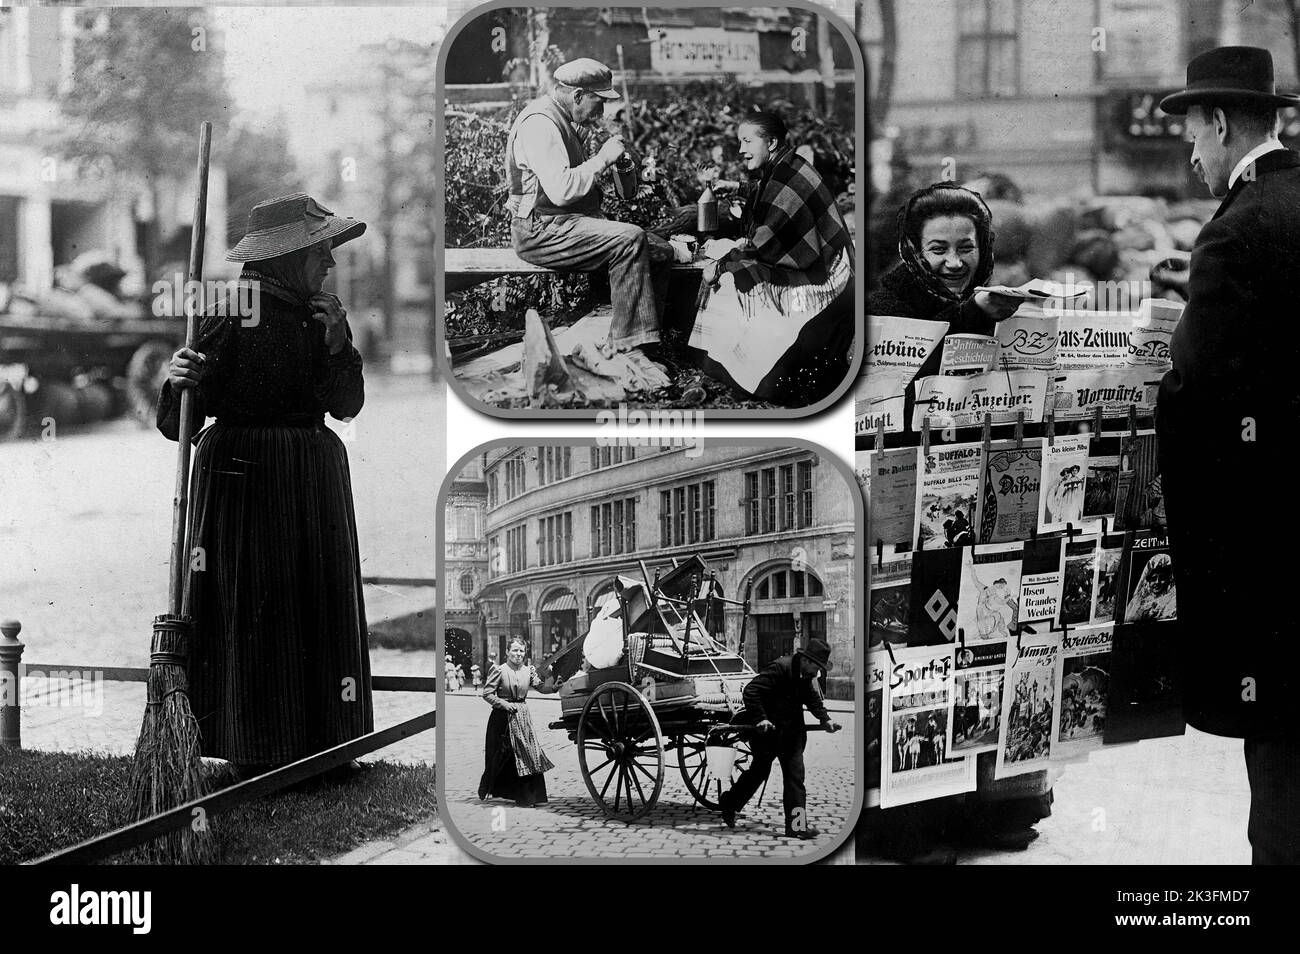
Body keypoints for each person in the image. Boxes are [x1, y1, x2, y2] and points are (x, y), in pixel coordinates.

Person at [159, 192, 372, 778]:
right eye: (321, 251)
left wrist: (339, 347)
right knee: (255, 602)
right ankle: (258, 746)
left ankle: (321, 745)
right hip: (247, 477)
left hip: (307, 474)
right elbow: (177, 424)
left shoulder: (321, 317)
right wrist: (178, 382)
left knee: (309, 601)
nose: (329, 262)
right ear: (289, 255)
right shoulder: (230, 313)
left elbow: (347, 406)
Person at [1155, 46, 1299, 864]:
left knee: (1281, 754)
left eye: (1193, 139)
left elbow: (1197, 394)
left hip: (1276, 550)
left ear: (1217, 122)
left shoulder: (1238, 230)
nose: (1193, 156)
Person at [505, 57, 673, 356]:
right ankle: (629, 350)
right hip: (539, 231)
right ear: (578, 95)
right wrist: (601, 160)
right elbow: (561, 191)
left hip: (562, 224)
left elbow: (599, 190)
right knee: (630, 238)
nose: (602, 110)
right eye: (599, 101)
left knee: (660, 248)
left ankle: (642, 340)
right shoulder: (540, 124)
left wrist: (619, 165)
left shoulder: (565, 121)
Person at [689, 110, 855, 405]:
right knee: (731, 274)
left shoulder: (787, 178)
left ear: (773, 142)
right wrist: (737, 187)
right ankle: (718, 371)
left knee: (730, 283)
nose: (741, 150)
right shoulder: (787, 166)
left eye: (747, 141)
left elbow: (764, 242)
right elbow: (767, 193)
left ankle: (736, 375)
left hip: (825, 276)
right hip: (828, 262)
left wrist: (720, 265)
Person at [867, 182, 1022, 435]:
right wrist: (972, 315)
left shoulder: (994, 305)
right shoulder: (880, 311)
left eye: (966, 248)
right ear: (913, 251)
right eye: (938, 249)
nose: (954, 262)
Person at [717, 639, 842, 839]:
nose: (817, 672)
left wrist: (826, 719)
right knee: (759, 772)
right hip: (768, 734)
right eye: (817, 666)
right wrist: (761, 719)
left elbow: (811, 699)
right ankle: (729, 803)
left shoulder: (806, 675)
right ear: (806, 660)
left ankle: (797, 827)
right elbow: (751, 691)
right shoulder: (780, 668)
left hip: (792, 737)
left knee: (795, 779)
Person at [479, 636, 558, 807]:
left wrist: (553, 688)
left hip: (522, 716)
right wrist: (505, 704)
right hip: (502, 718)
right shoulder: (499, 670)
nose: (518, 654)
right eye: (514, 650)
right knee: (508, 754)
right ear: (507, 652)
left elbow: (541, 687)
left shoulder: (528, 671)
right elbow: (487, 694)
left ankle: (534, 795)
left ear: (525, 653)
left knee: (528, 752)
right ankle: (518, 795)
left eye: (521, 651)